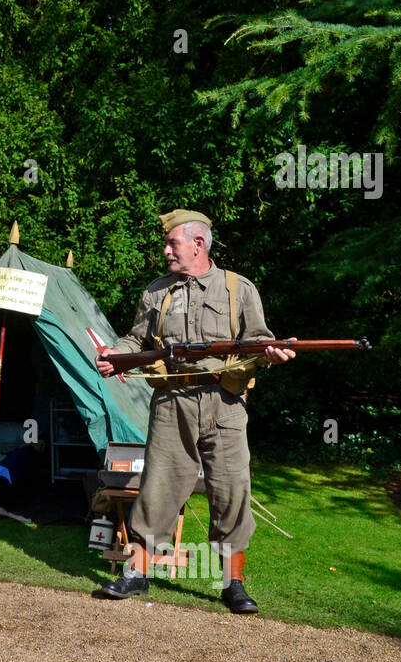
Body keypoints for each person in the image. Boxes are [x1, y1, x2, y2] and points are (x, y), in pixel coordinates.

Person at [96, 210, 294, 613]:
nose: (166, 250)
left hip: (226, 403)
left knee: (232, 490)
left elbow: (258, 340)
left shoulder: (238, 288)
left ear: (198, 244)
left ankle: (232, 583)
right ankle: (136, 574)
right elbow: (137, 339)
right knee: (158, 487)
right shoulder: (157, 292)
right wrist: (118, 354)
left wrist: (270, 353)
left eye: (173, 243)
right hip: (173, 402)